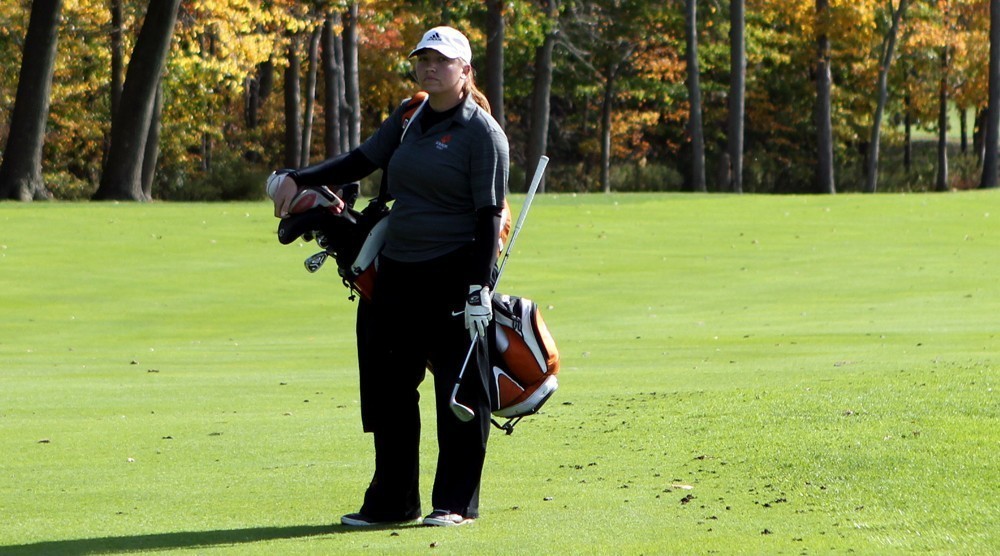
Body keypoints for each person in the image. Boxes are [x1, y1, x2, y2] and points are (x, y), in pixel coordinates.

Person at [271, 26, 509, 528]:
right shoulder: (409, 116)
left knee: (457, 392)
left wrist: (478, 286)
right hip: (397, 270)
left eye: (441, 60)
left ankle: (455, 504)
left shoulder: (482, 133)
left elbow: (489, 214)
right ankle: (392, 503)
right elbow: (362, 160)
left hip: (454, 270)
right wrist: (301, 176)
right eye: (423, 59)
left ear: (465, 70)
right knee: (389, 388)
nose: (429, 67)